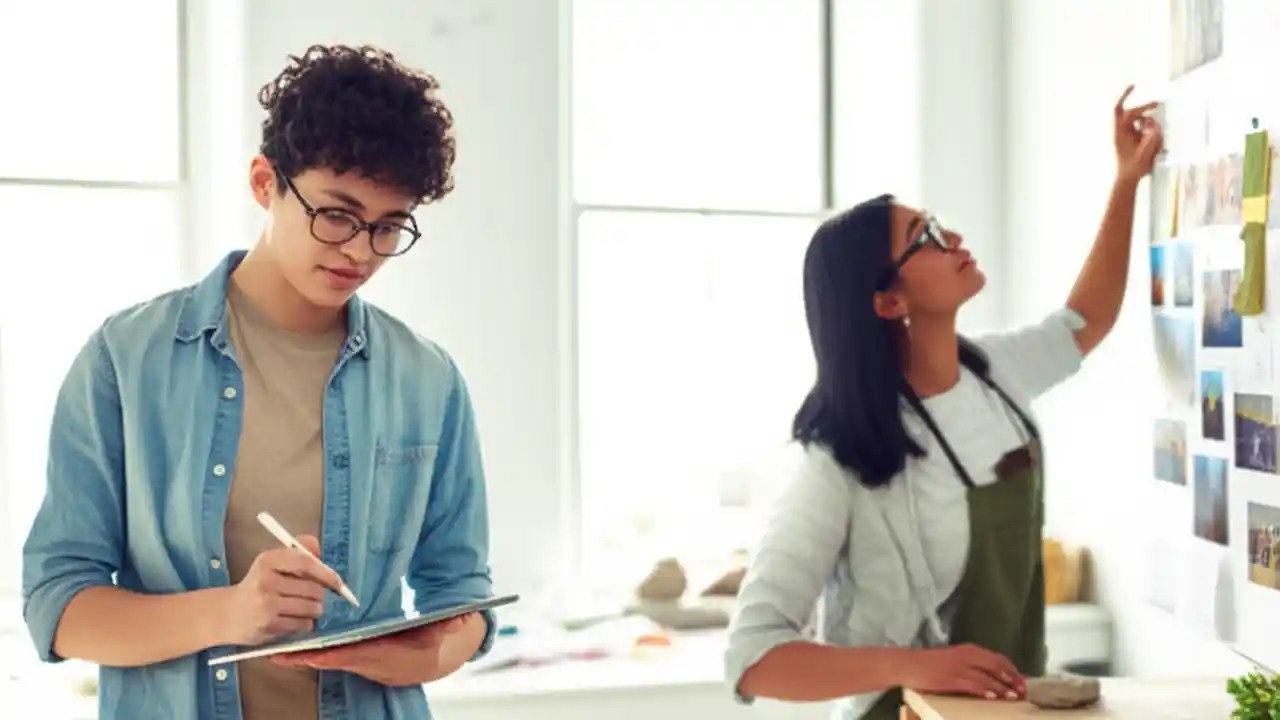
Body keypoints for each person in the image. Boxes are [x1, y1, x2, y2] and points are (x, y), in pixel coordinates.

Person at [22, 44, 497, 719]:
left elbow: (464, 594)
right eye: (337, 214)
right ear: (263, 182)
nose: (361, 250)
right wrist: (232, 612)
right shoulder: (126, 360)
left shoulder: (428, 380)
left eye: (389, 226)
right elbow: (58, 604)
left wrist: (435, 652)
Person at [724, 86, 1162, 719]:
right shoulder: (840, 457)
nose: (951, 234)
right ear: (887, 302)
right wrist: (912, 665)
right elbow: (754, 658)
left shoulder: (993, 372)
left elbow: (1085, 320)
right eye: (924, 236)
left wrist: (1126, 182)